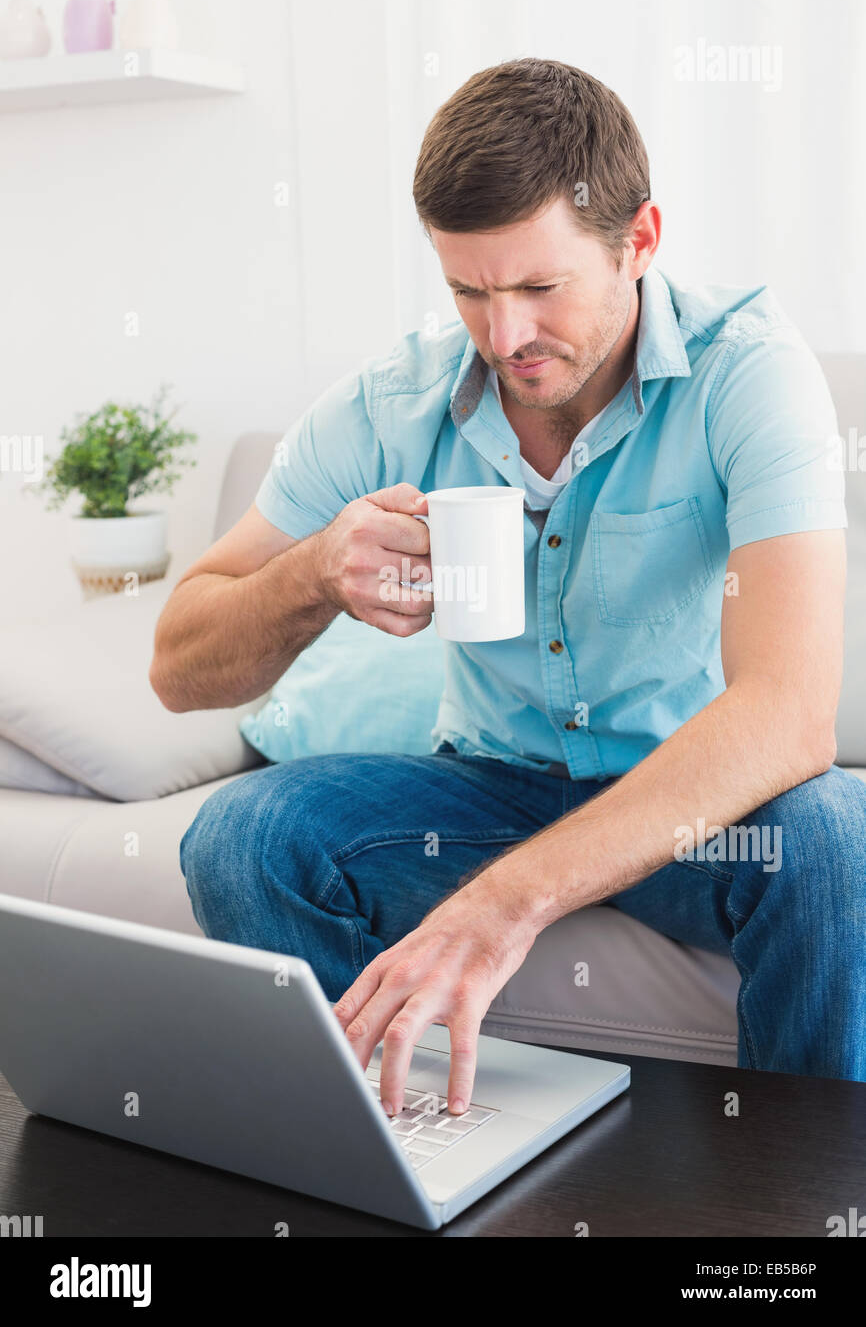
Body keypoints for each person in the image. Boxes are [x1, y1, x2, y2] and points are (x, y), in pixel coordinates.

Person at [150, 57, 864, 1116]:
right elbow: (176, 665)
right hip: (487, 781)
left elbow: (792, 714)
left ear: (640, 243)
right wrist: (311, 575)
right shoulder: (389, 402)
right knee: (241, 837)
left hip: (693, 804)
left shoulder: (745, 372)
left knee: (836, 841)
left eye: (538, 287)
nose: (503, 337)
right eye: (468, 291)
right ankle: (384, 1157)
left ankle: (793, 1218)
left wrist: (502, 907)